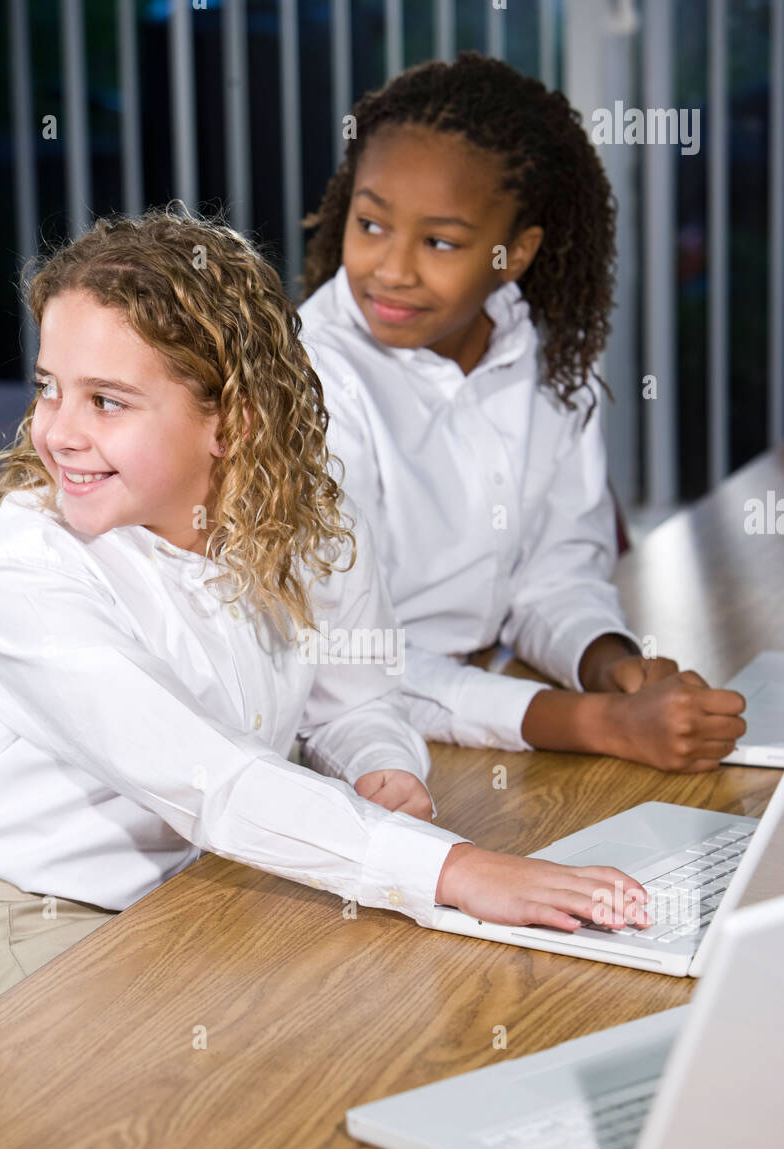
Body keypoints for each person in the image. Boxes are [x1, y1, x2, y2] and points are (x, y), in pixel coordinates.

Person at [0, 209, 649, 1049]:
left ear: (231, 421)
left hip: (199, 891)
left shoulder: (304, 520)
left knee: (415, 1025)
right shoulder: (33, 564)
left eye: (106, 401)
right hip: (17, 929)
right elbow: (216, 782)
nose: (58, 432)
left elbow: (356, 699)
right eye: (50, 387)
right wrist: (457, 869)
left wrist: (381, 768)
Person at [298, 53, 746, 771]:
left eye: (439, 241)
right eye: (371, 223)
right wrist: (601, 723)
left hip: (489, 712)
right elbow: (349, 666)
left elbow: (555, 571)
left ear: (516, 253)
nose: (392, 268)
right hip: (363, 748)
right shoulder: (312, 381)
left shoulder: (539, 357)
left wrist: (611, 665)